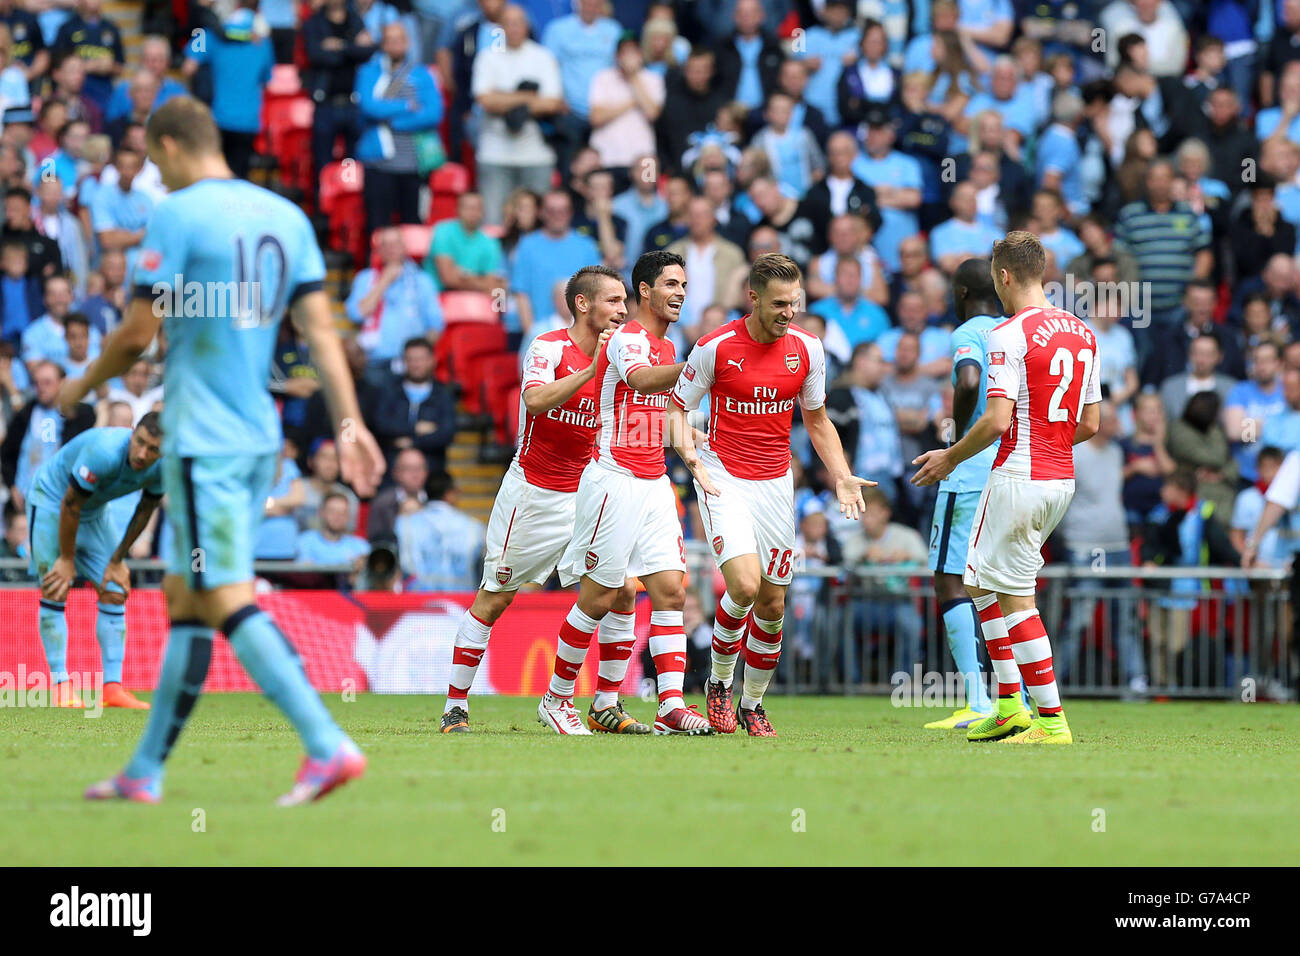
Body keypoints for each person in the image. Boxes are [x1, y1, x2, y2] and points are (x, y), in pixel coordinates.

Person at [63, 96, 385, 806]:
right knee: (186, 597)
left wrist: (79, 386)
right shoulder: (288, 217)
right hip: (258, 439)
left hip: (202, 442)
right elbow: (322, 337)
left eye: (154, 162)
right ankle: (143, 774)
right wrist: (350, 425)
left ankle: (327, 744)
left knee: (222, 594)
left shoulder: (179, 213)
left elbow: (132, 334)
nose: (156, 176)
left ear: (173, 145)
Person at [668, 253, 872, 736]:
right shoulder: (714, 348)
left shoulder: (809, 350)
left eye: (795, 303)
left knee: (774, 604)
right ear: (753, 299)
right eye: (779, 303)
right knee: (743, 586)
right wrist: (691, 457)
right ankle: (718, 685)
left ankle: (753, 702)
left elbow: (817, 420)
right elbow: (676, 410)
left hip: (777, 484)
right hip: (722, 477)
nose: (789, 312)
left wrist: (841, 473)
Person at [913, 231, 1102, 745]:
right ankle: (1008, 704)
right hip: (1059, 476)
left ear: (1003, 276)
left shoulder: (1007, 335)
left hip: (1018, 476)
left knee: (1017, 599)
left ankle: (1049, 719)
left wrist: (949, 457)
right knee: (977, 581)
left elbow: (996, 420)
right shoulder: (1082, 332)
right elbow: (1090, 423)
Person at [442, 266, 636, 732]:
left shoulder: (625, 357)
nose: (623, 309)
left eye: (625, 301)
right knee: (495, 598)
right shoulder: (549, 347)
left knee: (623, 590)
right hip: (534, 493)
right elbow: (534, 402)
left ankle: (605, 703)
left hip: (587, 493)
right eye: (613, 300)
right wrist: (593, 369)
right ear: (583, 304)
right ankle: (455, 705)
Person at [540, 251, 701, 735]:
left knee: (670, 588)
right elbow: (639, 380)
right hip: (613, 478)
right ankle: (556, 697)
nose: (680, 294)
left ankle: (669, 704)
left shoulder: (670, 349)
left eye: (684, 286)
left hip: (654, 481)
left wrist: (693, 454)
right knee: (603, 594)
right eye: (670, 284)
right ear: (645, 292)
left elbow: (668, 408)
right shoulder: (625, 338)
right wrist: (702, 365)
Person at [26, 413, 164, 710]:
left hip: (95, 511)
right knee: (56, 586)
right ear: (132, 433)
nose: (142, 454)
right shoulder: (104, 451)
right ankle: (61, 685)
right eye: (139, 443)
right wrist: (66, 558)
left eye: (153, 449)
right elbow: (70, 502)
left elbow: (145, 509)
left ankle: (112, 688)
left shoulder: (166, 467)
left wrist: (117, 560)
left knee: (115, 588)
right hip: (52, 500)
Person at [923, 257, 1002, 730]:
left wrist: (956, 439)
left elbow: (969, 379)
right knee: (1001, 585)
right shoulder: (1016, 332)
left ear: (963, 294)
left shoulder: (969, 331)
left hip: (969, 470)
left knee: (950, 580)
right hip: (1010, 470)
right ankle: (1019, 700)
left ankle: (978, 700)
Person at [396, 471, 485, 591]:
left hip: (417, 604)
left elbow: (404, 567)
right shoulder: (474, 527)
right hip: (462, 604)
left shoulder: (404, 524)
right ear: (450, 493)